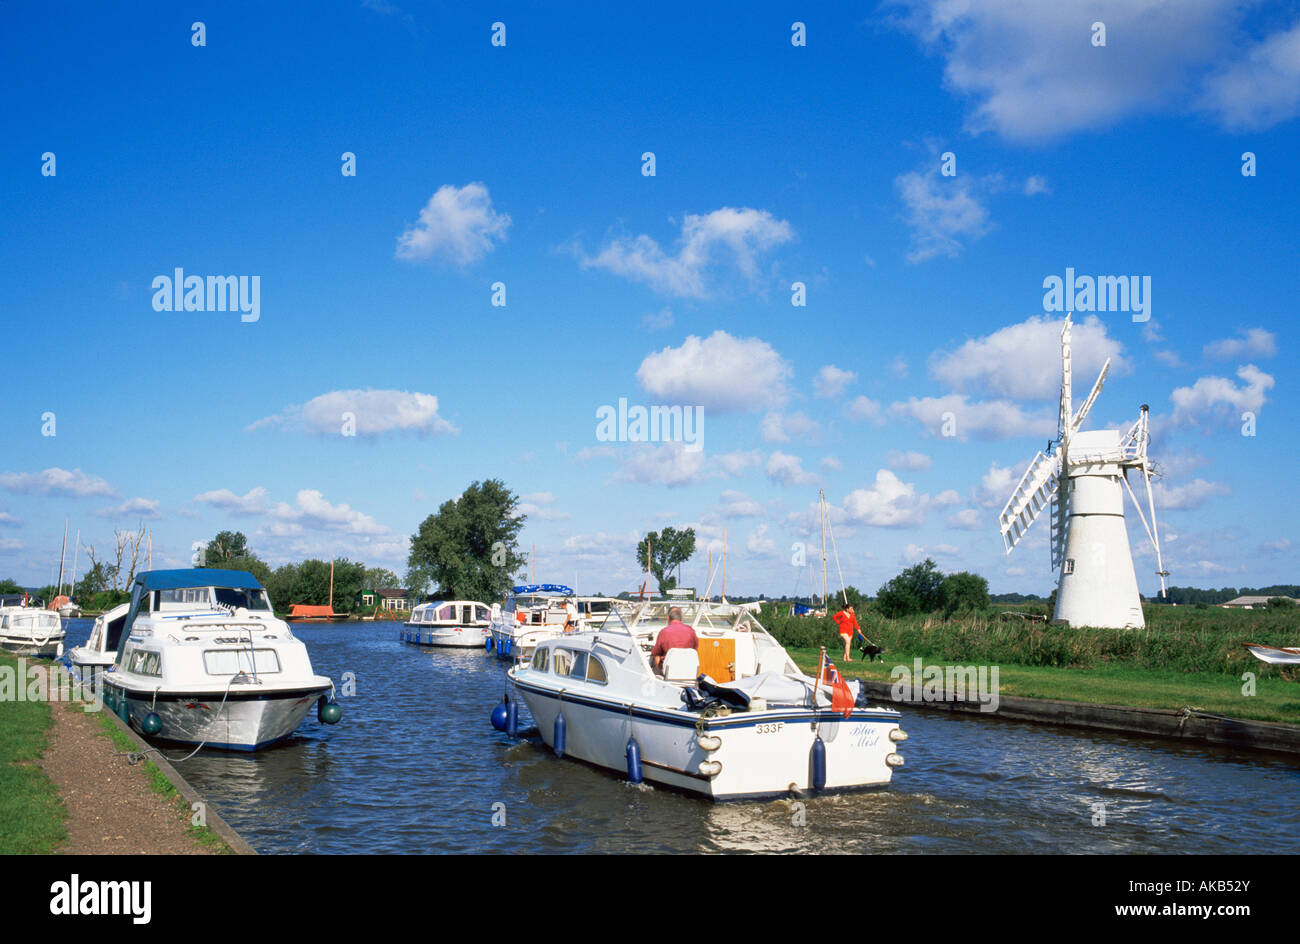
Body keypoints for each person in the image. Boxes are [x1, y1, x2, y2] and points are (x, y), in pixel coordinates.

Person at [651, 606, 698, 674]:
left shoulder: (664, 632)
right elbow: (694, 650)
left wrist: (661, 672)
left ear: (668, 618)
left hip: (669, 672)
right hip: (689, 671)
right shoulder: (691, 631)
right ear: (681, 618)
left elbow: (656, 654)